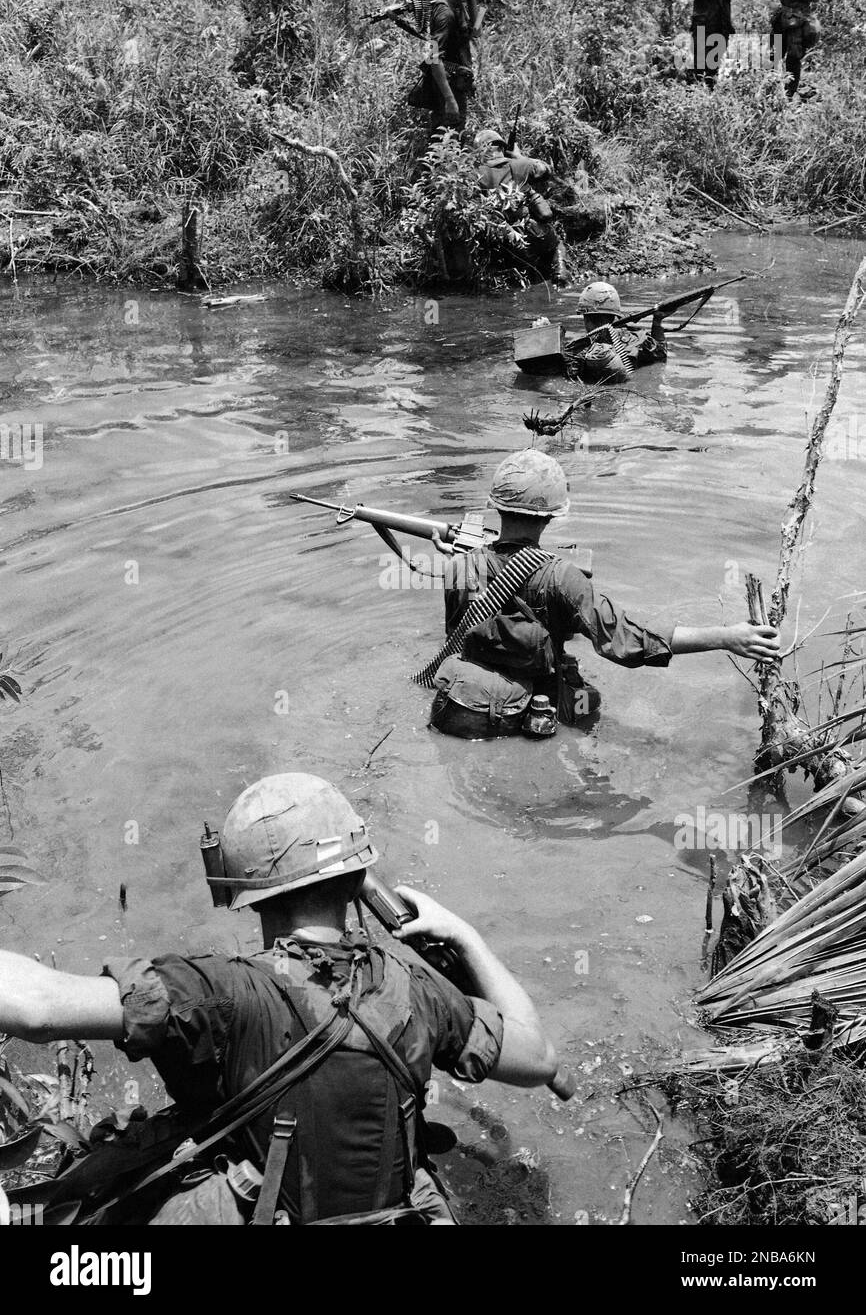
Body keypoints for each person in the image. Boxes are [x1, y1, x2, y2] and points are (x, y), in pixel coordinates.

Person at [0, 773, 561, 1225]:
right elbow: (539, 1059)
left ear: (240, 892)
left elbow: (37, 1009)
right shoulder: (420, 991)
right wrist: (466, 936)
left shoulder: (216, 992)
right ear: (358, 876)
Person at [428, 450, 780, 739]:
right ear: (552, 516)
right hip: (530, 714)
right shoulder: (562, 578)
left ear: (496, 506)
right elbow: (626, 640)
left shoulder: (460, 565)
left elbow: (460, 632)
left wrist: (465, 562)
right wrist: (726, 637)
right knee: (589, 702)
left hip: (461, 702)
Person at [475, 127, 569, 284]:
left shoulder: (475, 172)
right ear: (502, 148)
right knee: (557, 243)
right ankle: (561, 275)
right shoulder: (520, 164)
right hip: (531, 233)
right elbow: (546, 170)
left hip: (500, 240)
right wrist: (519, 156)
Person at [425, 0, 490, 132]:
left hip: (457, 84)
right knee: (443, 143)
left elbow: (477, 31)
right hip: (447, 87)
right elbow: (433, 58)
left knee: (455, 142)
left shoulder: (458, 7)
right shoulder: (444, 12)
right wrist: (449, 99)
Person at [567, 281, 667, 385]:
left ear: (586, 319)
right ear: (615, 314)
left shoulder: (578, 349)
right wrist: (657, 322)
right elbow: (660, 359)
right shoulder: (637, 339)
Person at [770, 0, 823, 99]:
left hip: (799, 22)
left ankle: (789, 95)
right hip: (782, 19)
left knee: (793, 59)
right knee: (773, 54)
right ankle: (771, 90)